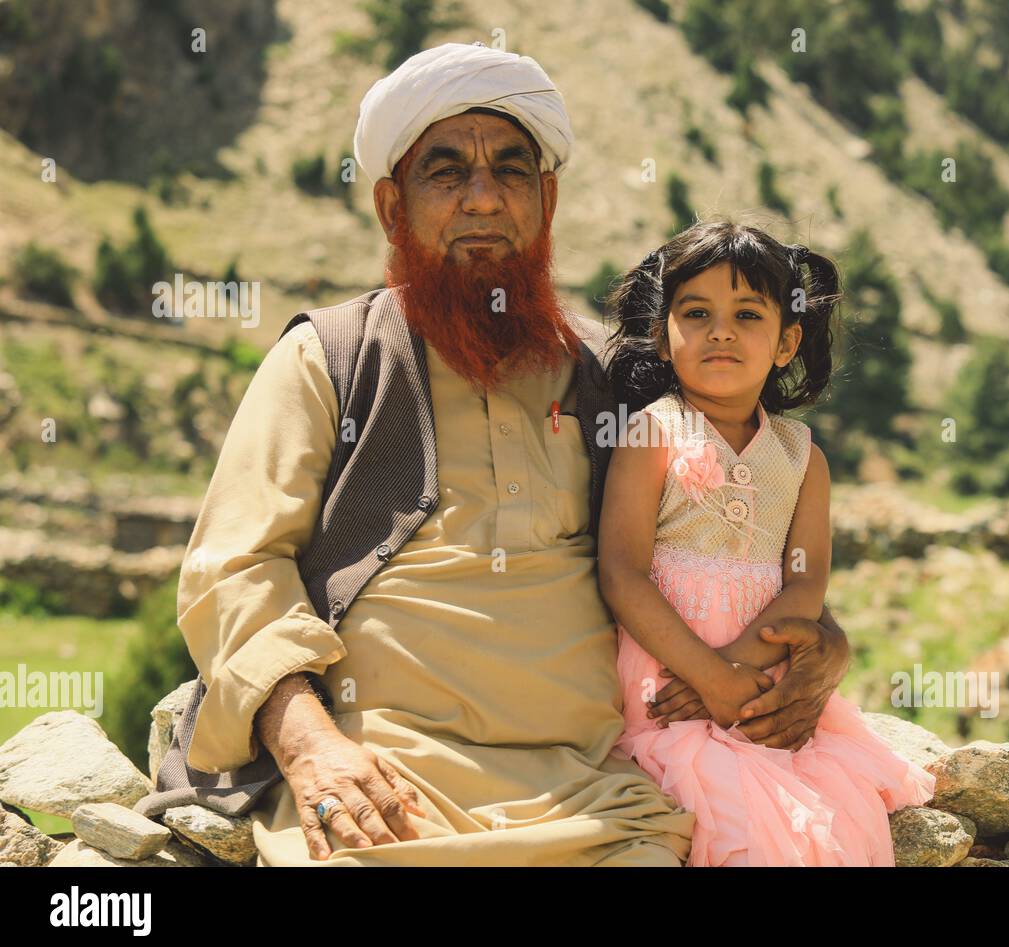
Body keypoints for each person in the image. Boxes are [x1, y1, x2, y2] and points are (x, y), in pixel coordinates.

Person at [175, 42, 855, 866]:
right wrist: (309, 742)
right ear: (393, 208)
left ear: (548, 198)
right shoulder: (333, 358)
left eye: (510, 169)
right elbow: (233, 570)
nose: (483, 198)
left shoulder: (609, 381)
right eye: (446, 173)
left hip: (597, 789)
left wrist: (826, 645)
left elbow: (719, 539)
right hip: (386, 782)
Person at [598, 220, 937, 866]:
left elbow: (805, 584)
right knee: (738, 825)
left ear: (786, 343)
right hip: (666, 686)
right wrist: (707, 675)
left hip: (764, 686)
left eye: (746, 315)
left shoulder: (802, 457)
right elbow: (622, 573)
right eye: (695, 313)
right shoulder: (649, 434)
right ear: (664, 339)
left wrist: (736, 678)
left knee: (829, 823)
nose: (720, 331)